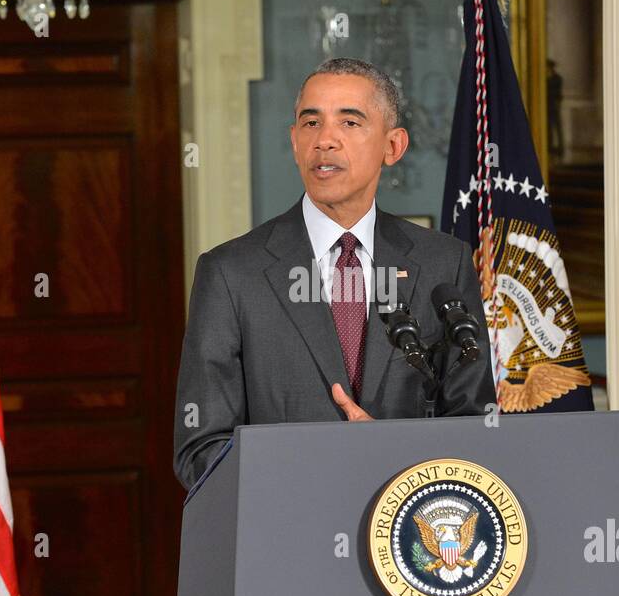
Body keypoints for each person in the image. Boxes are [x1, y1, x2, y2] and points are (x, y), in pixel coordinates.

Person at [173, 57, 496, 490]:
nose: (325, 140)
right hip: (287, 538)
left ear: (393, 146)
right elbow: (200, 450)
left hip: (411, 543)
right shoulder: (230, 274)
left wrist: (388, 458)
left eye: (349, 122)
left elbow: (475, 429)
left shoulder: (445, 264)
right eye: (310, 123)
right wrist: (327, 469)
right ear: (293, 141)